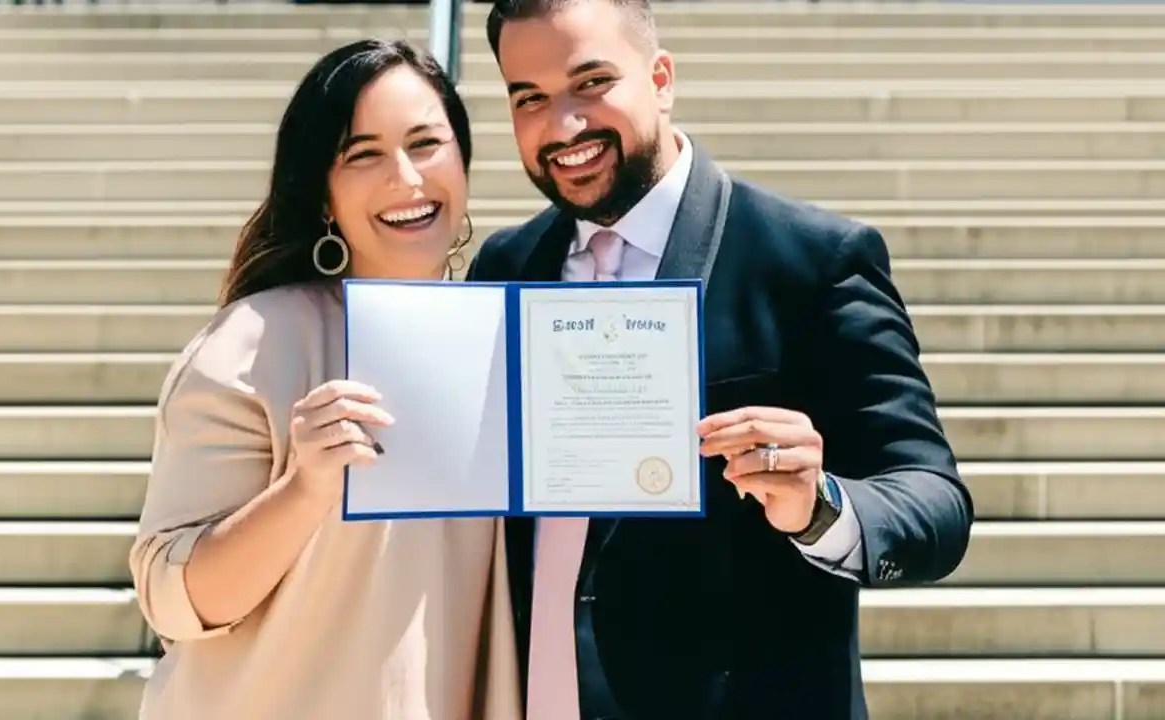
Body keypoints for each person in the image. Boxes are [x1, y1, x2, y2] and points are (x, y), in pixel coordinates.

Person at [466, 1, 975, 718]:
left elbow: (936, 507)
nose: (564, 125)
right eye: (530, 98)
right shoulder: (505, 267)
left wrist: (819, 504)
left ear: (662, 78)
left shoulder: (810, 261)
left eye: (592, 83)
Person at [129, 39, 520, 720]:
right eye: (363, 154)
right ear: (323, 192)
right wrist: (305, 488)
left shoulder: (509, 336)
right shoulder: (252, 345)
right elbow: (173, 599)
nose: (406, 179)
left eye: (427, 144)